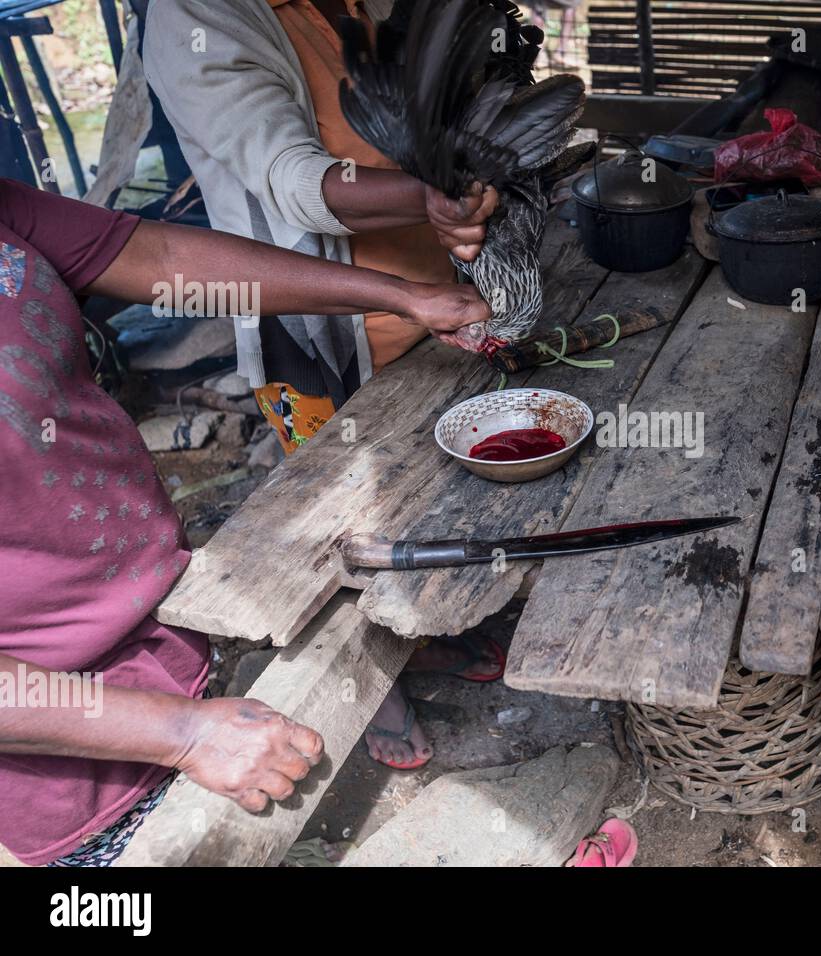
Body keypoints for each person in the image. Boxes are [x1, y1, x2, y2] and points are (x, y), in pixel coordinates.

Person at [0, 177, 487, 865]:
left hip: (176, 630)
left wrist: (402, 295)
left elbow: (167, 260)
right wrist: (183, 734)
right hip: (73, 755)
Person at [143, 0, 509, 768]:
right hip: (312, 324)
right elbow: (290, 182)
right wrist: (430, 198)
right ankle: (372, 687)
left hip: (435, 292)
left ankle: (426, 632)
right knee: (342, 516)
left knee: (432, 484)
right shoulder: (193, 18)